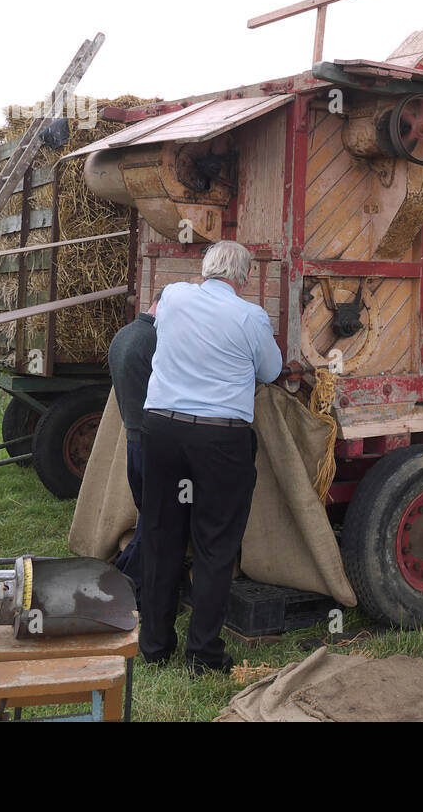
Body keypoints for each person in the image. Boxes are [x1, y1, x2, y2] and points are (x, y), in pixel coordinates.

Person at [139, 241, 283, 674]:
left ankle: (154, 646)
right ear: (244, 278)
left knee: (161, 536)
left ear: (204, 269)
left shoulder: (175, 296)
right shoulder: (250, 317)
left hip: (161, 429)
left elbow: (160, 331)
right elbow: (271, 372)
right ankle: (202, 654)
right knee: (215, 545)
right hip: (220, 439)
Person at [106, 293, 160, 591]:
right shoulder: (155, 341)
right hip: (153, 442)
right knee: (158, 520)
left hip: (133, 438)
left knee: (149, 517)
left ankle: (124, 575)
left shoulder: (123, 336)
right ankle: (126, 582)